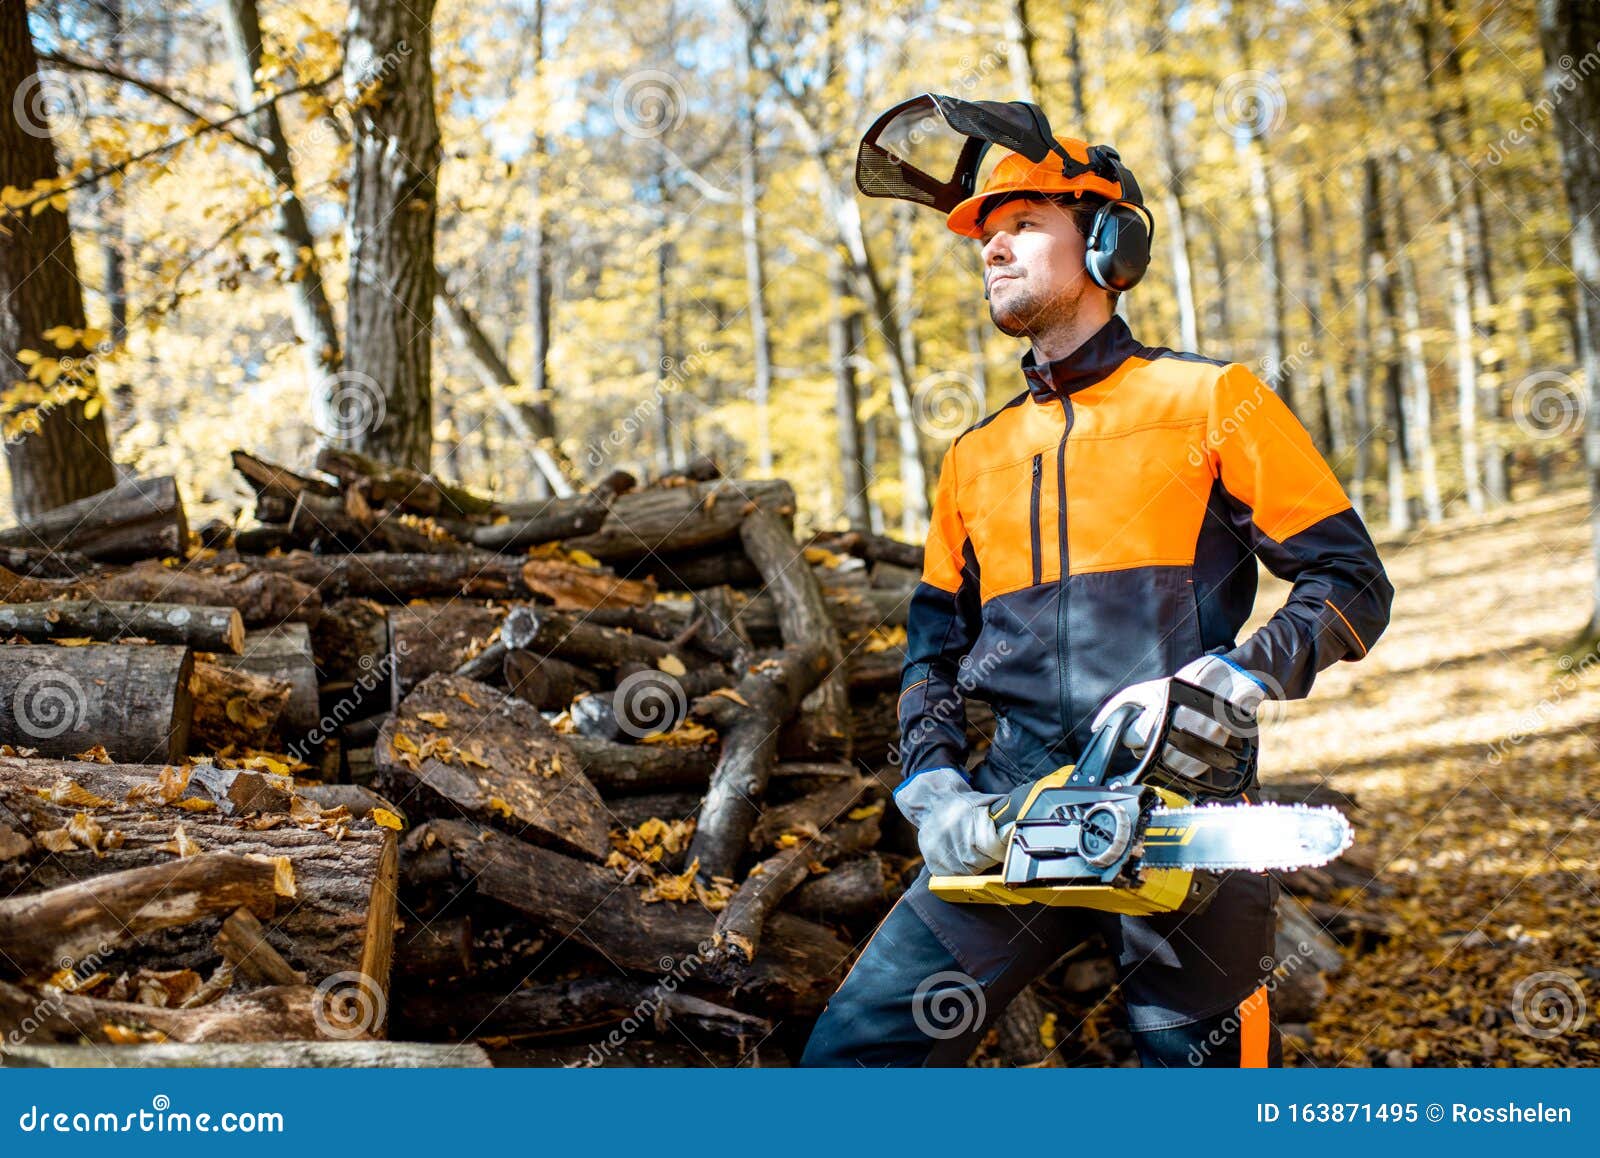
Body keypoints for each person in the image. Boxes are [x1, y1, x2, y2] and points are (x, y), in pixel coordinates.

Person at [800, 133, 1394, 1067]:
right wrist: (932, 782)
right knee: (851, 1057)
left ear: (1108, 246)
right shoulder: (973, 457)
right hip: (1012, 813)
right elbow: (932, 653)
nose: (991, 249)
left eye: (1023, 225)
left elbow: (1351, 585)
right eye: (984, 236)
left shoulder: (1211, 401)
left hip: (1186, 810)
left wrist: (1232, 678)